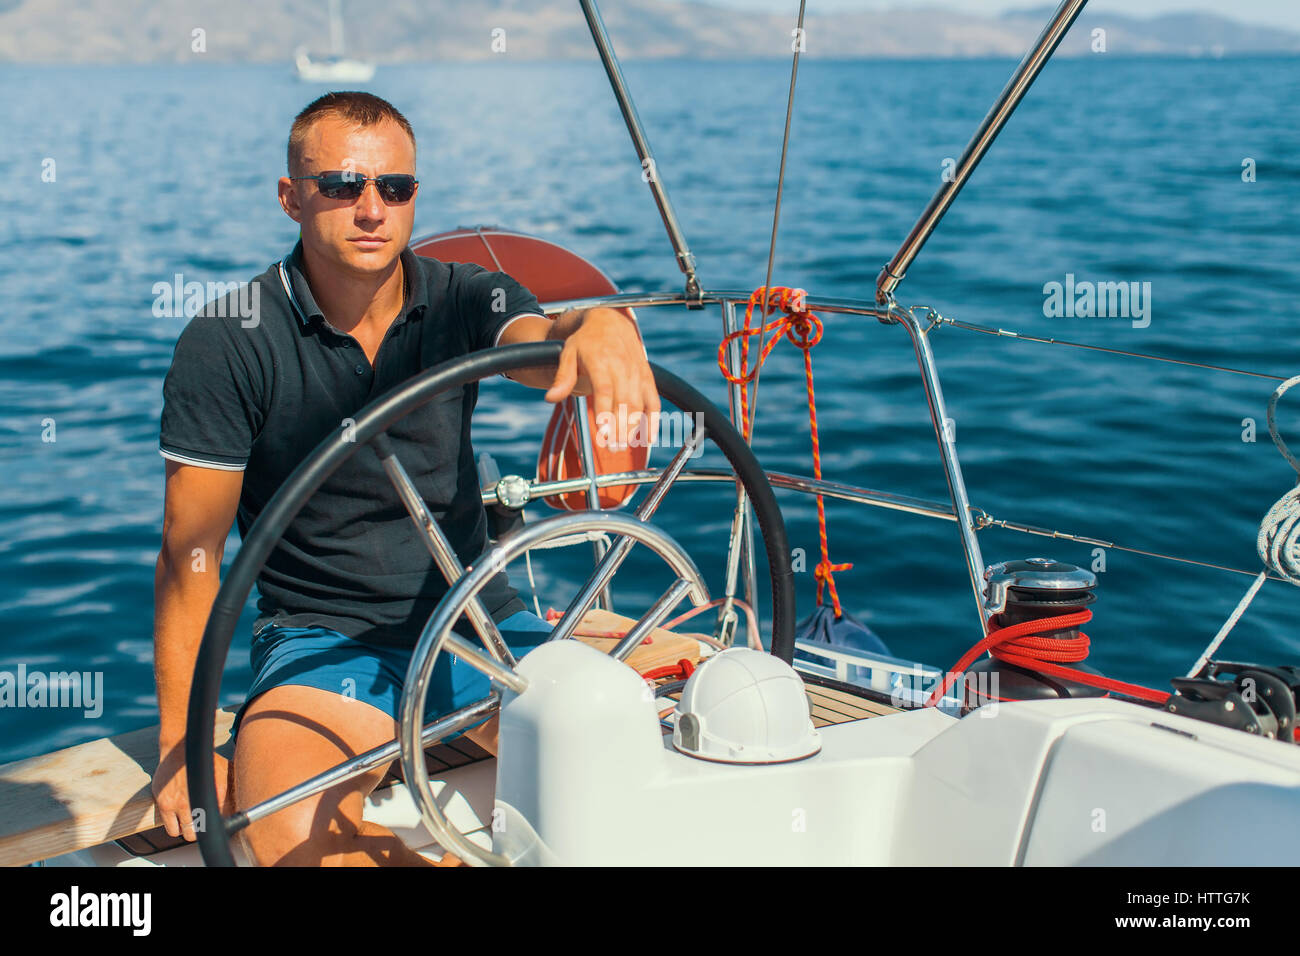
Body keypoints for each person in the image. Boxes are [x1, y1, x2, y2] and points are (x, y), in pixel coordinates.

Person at [149, 91, 657, 866]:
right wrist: (181, 744)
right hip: (325, 645)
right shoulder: (228, 342)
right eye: (342, 186)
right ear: (291, 197)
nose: (372, 209)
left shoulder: (464, 296)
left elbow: (539, 342)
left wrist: (596, 325)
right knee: (289, 838)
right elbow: (192, 561)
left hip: (478, 623)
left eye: (395, 188)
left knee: (673, 724)